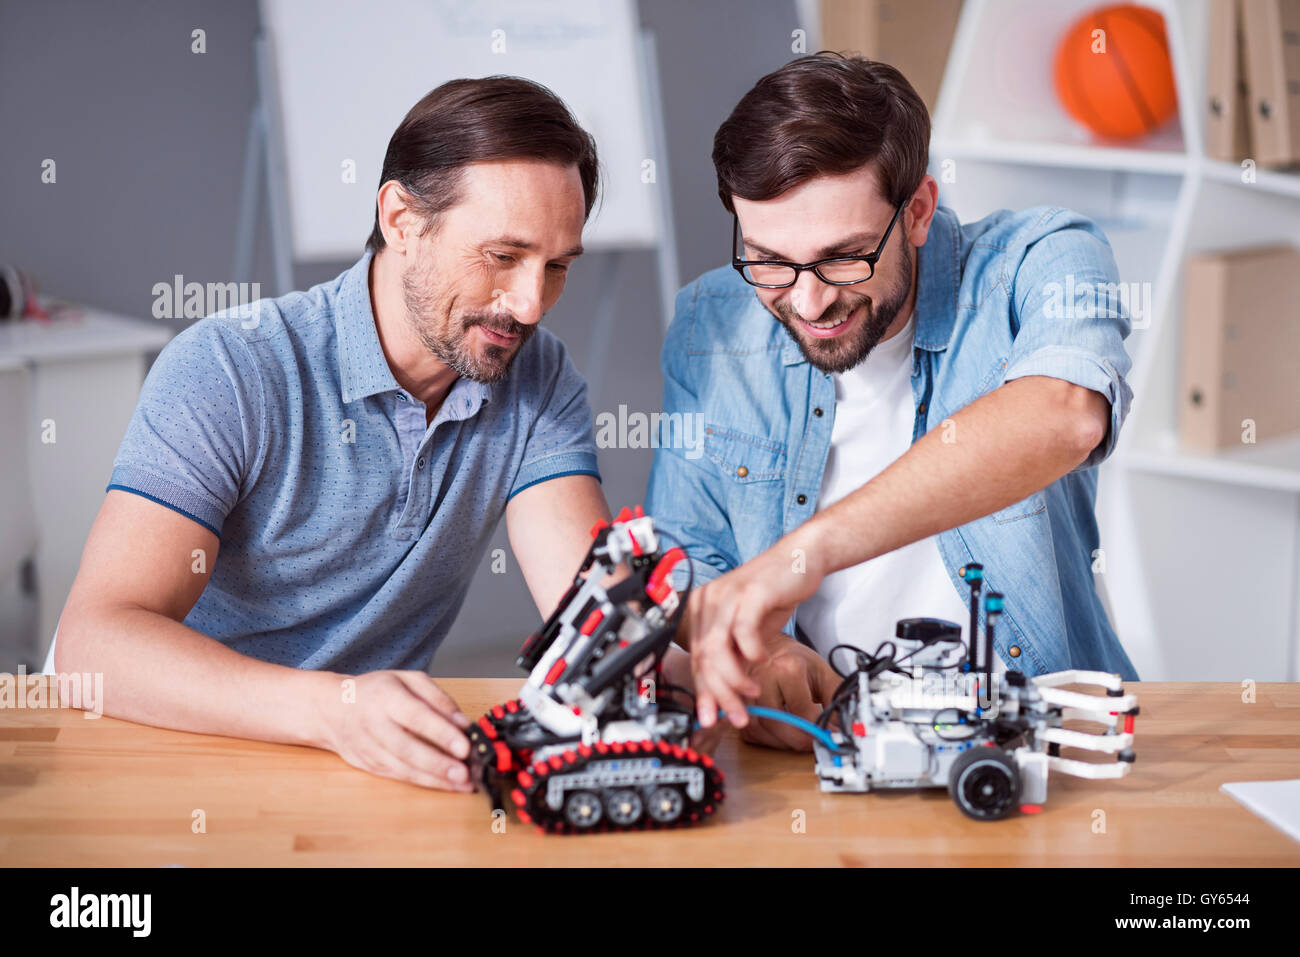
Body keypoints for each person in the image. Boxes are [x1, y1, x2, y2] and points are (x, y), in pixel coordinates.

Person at [55, 77, 619, 792]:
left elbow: (594, 617)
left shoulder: (538, 377)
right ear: (401, 218)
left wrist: (714, 662)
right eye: (502, 257)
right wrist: (334, 707)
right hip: (164, 751)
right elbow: (93, 645)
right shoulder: (231, 366)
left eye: (558, 266)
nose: (531, 302)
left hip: (348, 766)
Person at [646, 53, 1139, 750]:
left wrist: (807, 553)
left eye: (844, 256)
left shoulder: (1044, 257)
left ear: (918, 211)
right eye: (768, 260)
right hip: (823, 747)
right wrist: (753, 649)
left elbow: (1066, 414)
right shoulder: (709, 321)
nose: (808, 300)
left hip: (1047, 747)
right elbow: (683, 550)